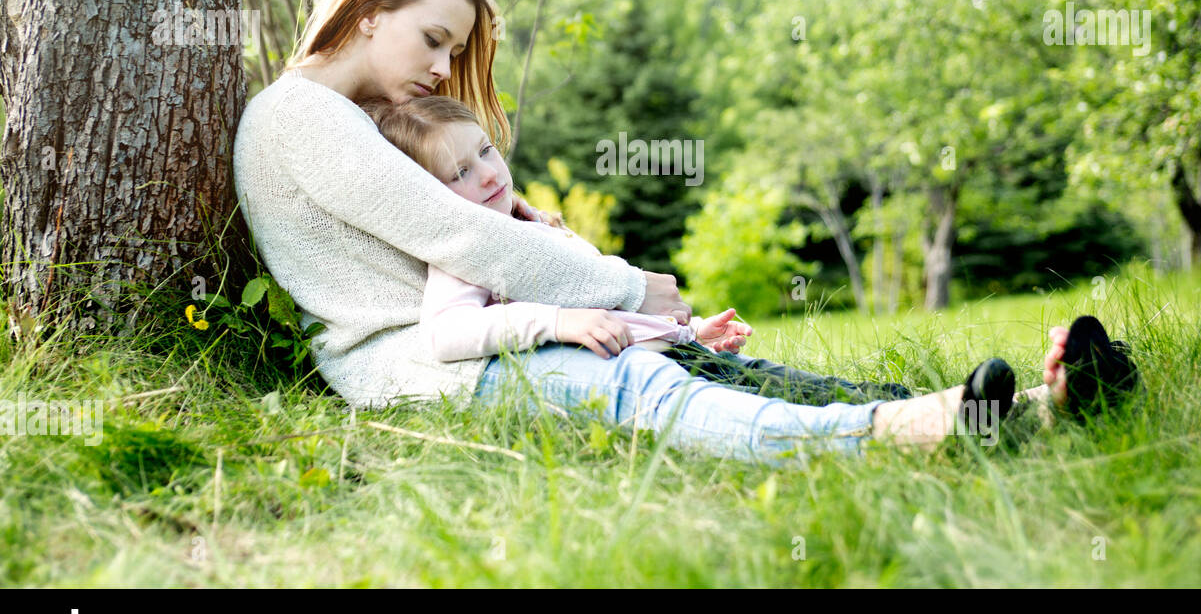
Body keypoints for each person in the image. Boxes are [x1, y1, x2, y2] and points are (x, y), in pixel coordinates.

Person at [231, 0, 1137, 465]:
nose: (439, 67)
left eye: (450, 47)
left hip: (495, 334)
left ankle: (1024, 409)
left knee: (729, 371)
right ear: (368, 11)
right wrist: (628, 288)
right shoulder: (299, 117)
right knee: (645, 383)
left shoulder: (347, 120)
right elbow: (455, 234)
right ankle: (909, 429)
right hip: (419, 369)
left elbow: (471, 232)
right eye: (433, 39)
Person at [356, 92, 914, 408]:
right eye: (458, 172)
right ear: (432, 198)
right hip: (647, 377)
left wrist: (692, 335)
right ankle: (917, 416)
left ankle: (932, 404)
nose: (485, 174)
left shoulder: (530, 226)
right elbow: (447, 335)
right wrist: (556, 321)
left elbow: (619, 315)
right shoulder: (464, 252)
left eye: (483, 151)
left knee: (789, 381)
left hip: (677, 353)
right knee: (780, 398)